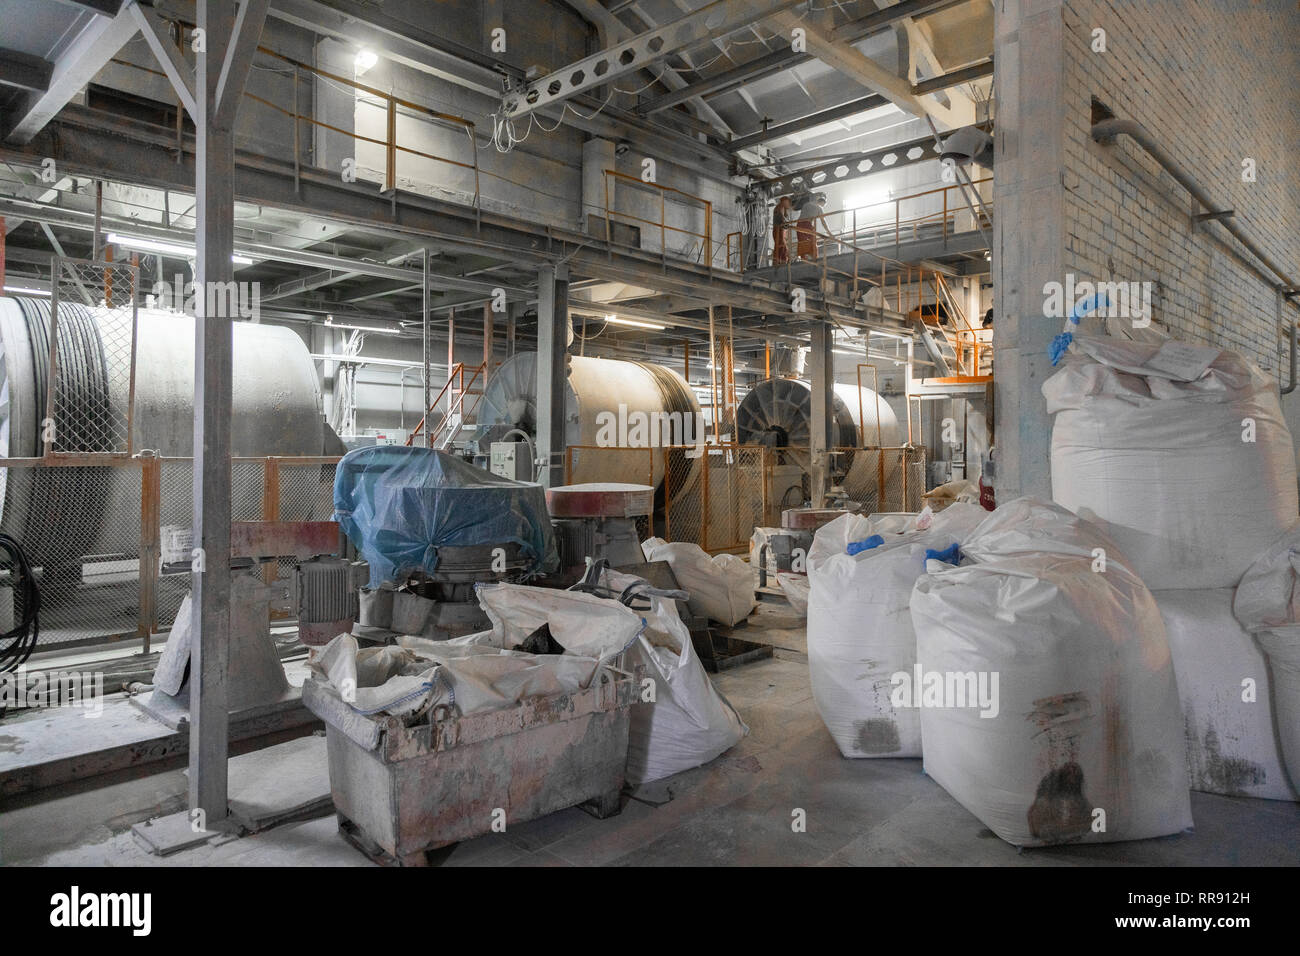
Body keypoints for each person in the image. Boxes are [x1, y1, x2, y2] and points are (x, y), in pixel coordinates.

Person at [796, 193, 822, 260]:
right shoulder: (818, 208)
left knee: (803, 243)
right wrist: (829, 233)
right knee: (812, 242)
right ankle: (814, 258)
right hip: (807, 224)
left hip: (799, 225)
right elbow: (823, 221)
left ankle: (804, 258)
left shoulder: (806, 205)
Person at [772, 195, 794, 265]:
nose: (789, 204)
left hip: (780, 230)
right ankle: (783, 261)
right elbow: (782, 218)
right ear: (785, 201)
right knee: (782, 246)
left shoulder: (782, 208)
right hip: (779, 230)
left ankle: (779, 261)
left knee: (780, 246)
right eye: (788, 202)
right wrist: (787, 223)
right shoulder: (780, 206)